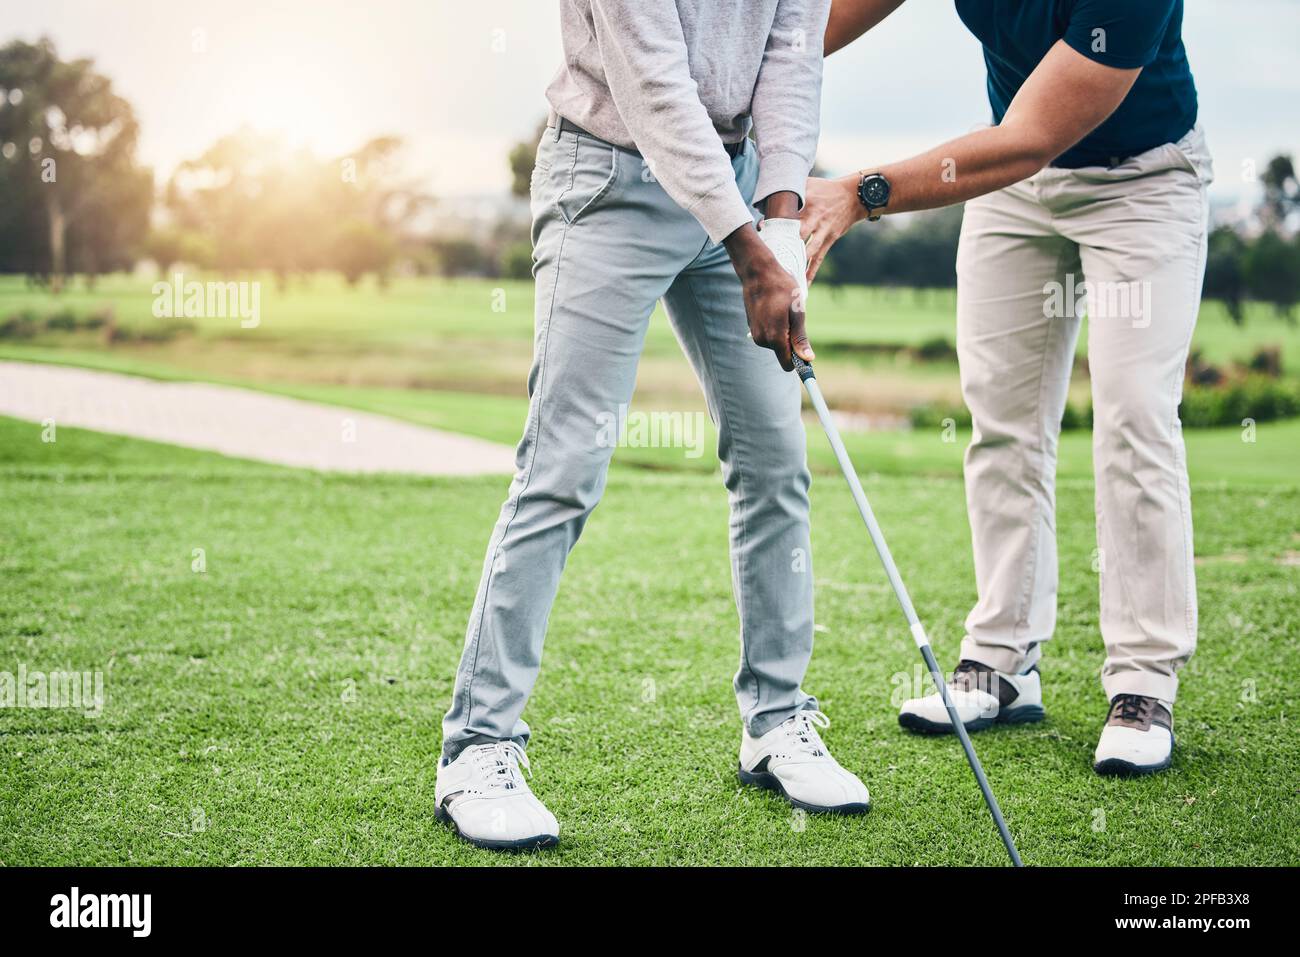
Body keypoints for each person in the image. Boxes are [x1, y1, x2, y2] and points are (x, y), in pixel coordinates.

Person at [435, 0, 873, 853]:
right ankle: (477, 750)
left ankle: (777, 720)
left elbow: (792, 51)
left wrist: (779, 223)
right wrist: (753, 250)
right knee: (563, 466)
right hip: (611, 178)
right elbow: (653, 83)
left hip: (741, 188)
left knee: (776, 460)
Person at [803, 0, 1210, 776]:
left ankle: (1143, 681)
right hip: (1017, 188)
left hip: (1142, 181)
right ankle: (1003, 659)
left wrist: (861, 191)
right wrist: (745, 75)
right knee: (1002, 416)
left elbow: (1030, 138)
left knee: (1133, 417)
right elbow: (820, 20)